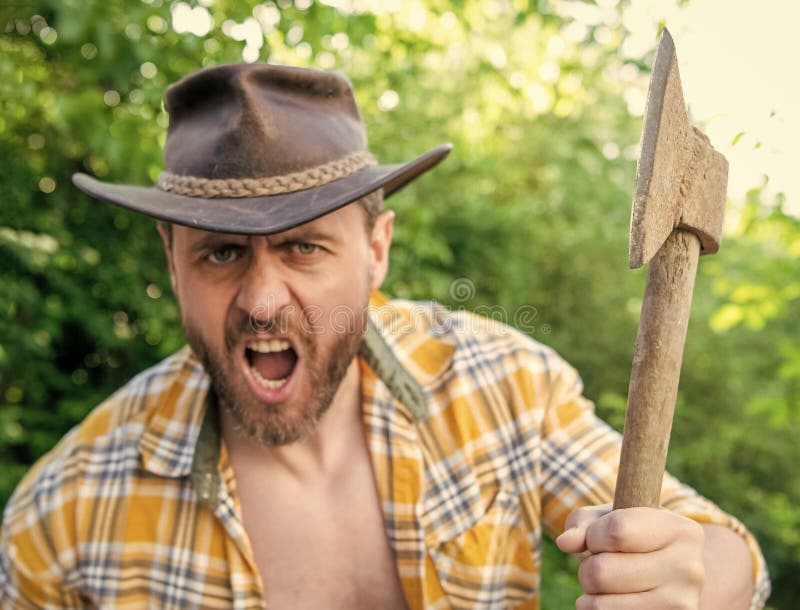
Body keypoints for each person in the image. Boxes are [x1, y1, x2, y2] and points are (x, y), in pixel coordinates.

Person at [0, 63, 769, 609]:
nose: (264, 301)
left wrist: (689, 578)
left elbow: (726, 554)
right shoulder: (64, 513)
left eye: (305, 246)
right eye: (221, 253)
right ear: (172, 263)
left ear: (377, 250)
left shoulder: (500, 384)